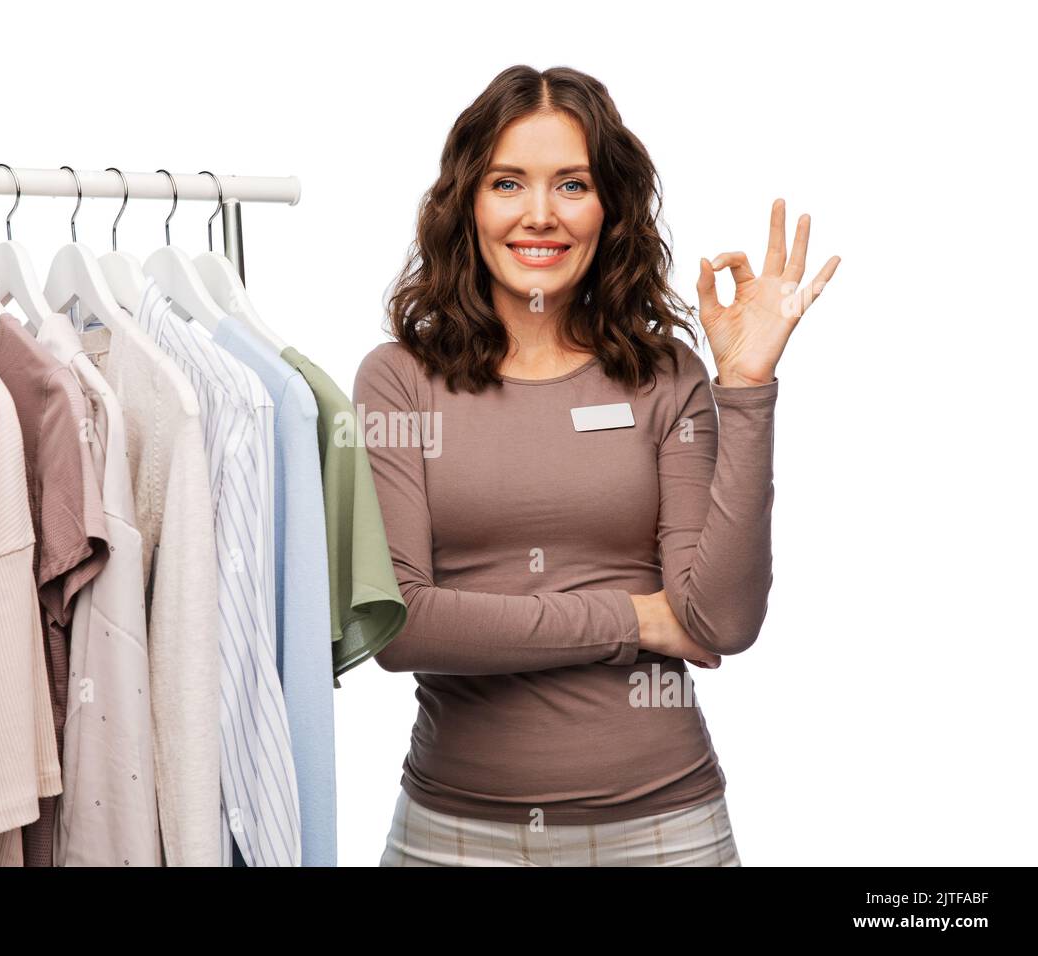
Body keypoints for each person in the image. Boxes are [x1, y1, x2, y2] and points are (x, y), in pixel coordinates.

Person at [354, 64, 839, 867]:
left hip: (666, 832)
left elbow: (721, 622)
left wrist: (745, 389)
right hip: (452, 835)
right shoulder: (398, 379)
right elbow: (402, 625)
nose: (539, 216)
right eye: (508, 183)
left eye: (571, 184)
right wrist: (633, 619)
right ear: (467, 202)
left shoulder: (666, 376)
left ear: (610, 208)